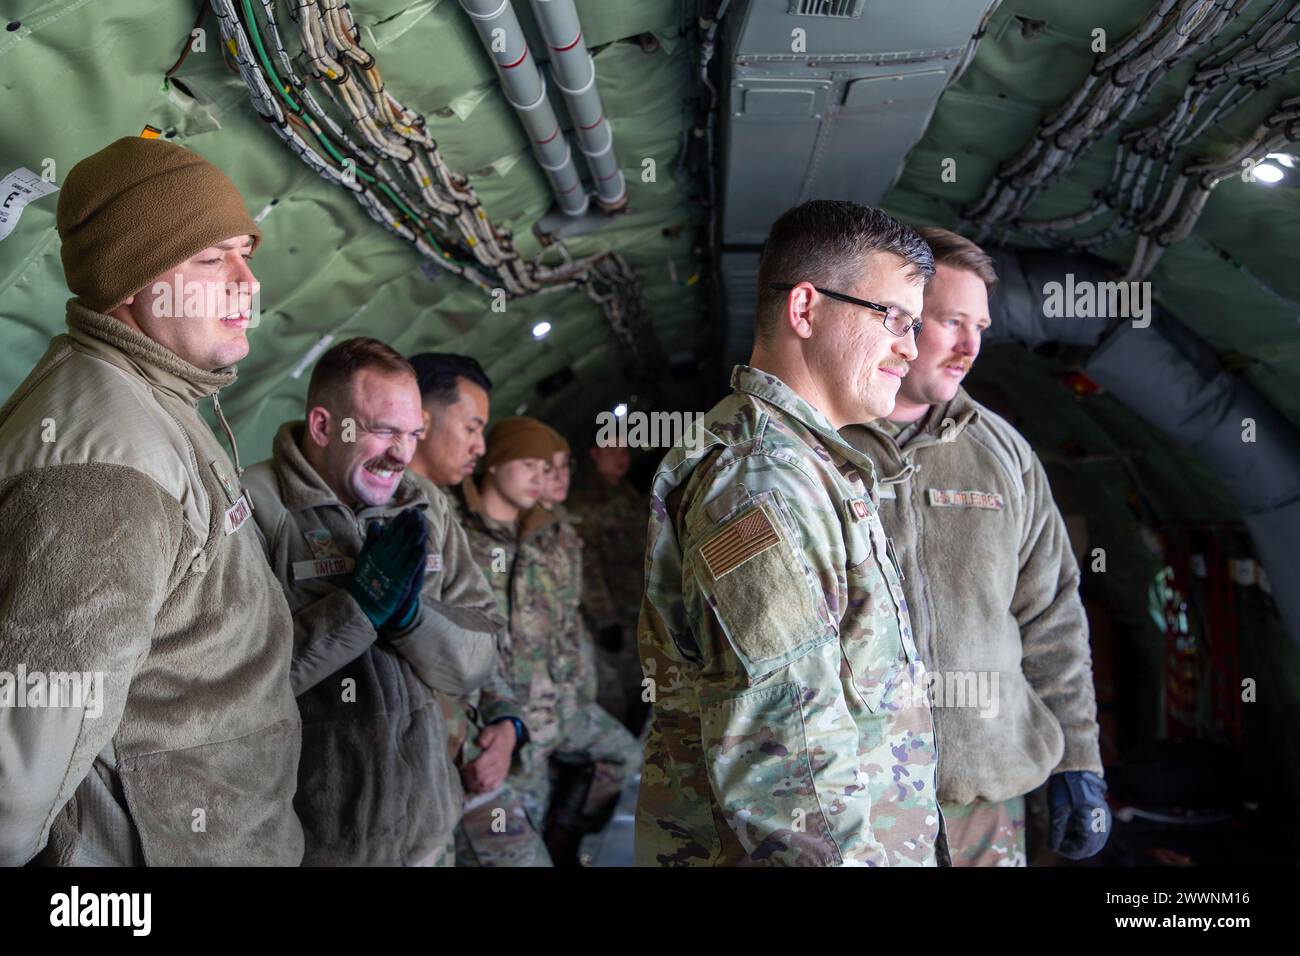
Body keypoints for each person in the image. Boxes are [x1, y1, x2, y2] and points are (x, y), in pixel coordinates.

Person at [0, 135, 303, 865]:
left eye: (245, 254)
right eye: (210, 258)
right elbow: (14, 788)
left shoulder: (154, 401)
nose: (247, 284)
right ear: (130, 279)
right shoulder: (108, 457)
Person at [637, 199, 945, 866]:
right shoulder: (763, 481)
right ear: (805, 310)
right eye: (893, 318)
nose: (910, 348)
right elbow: (788, 759)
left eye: (915, 326)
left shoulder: (809, 467)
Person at [839, 227, 1109, 866]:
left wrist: (1078, 760)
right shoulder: (816, 445)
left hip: (983, 807)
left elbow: (1052, 617)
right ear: (894, 320)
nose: (969, 347)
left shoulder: (1005, 455)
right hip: (850, 806)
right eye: (951, 321)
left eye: (980, 326)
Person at [243, 338, 514, 865]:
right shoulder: (256, 508)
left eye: (413, 434)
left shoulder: (424, 504)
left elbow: (479, 657)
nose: (402, 453)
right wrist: (356, 611)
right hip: (317, 846)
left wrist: (414, 618)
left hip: (427, 839)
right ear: (323, 427)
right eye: (384, 431)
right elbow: (237, 685)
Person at [449, 418, 641, 865]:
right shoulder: (458, 536)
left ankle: (571, 834)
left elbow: (564, 624)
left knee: (626, 758)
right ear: (493, 465)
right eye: (529, 465)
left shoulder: (549, 534)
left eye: (549, 467)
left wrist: (573, 693)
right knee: (517, 836)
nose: (542, 478)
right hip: (499, 725)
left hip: (558, 708)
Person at [407, 354, 550, 866]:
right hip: (418, 779)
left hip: (467, 755)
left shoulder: (439, 513)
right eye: (471, 427)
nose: (479, 446)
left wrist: (507, 723)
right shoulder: (378, 510)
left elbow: (483, 634)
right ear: (421, 417)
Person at [568, 438, 651, 730]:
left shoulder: (626, 493)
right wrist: (605, 620)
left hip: (641, 607)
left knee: (648, 685)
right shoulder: (585, 504)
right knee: (626, 691)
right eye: (611, 451)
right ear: (594, 454)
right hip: (617, 615)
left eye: (625, 451)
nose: (621, 458)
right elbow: (585, 569)